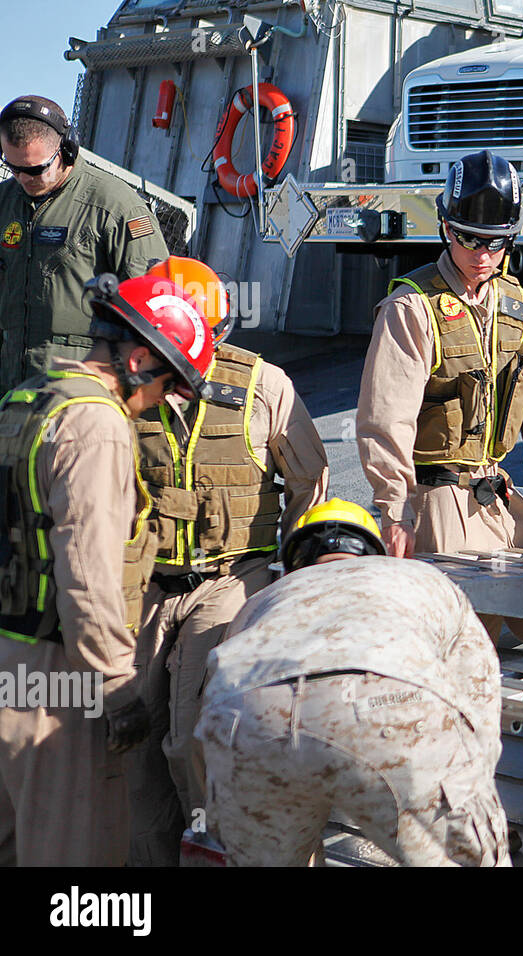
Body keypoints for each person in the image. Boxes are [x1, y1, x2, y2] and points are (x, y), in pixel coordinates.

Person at [357, 149, 523, 787]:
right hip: (436, 499)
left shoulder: (518, 308)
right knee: (456, 648)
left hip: (498, 496)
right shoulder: (412, 307)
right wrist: (394, 512)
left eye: (496, 241)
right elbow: (384, 418)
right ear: (446, 230)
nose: (482, 254)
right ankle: (433, 788)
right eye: (468, 238)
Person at [0, 272, 214, 865]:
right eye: (169, 384)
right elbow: (87, 580)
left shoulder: (28, 397)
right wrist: (119, 690)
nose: (164, 402)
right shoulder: (96, 424)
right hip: (55, 687)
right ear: (140, 359)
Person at [126, 255, 330, 865]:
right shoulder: (125, 388)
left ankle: (224, 847)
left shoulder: (264, 386)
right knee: (125, 733)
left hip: (229, 577)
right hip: (142, 583)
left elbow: (310, 482)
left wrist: (288, 578)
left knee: (194, 728)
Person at [194, 499, 510, 866]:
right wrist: (471, 797)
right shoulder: (422, 579)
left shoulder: (262, 600)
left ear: (295, 562)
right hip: (386, 703)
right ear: (376, 553)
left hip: (246, 718)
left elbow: (215, 695)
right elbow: (479, 694)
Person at [0, 95, 169, 390]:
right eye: (13, 168)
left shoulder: (115, 206)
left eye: (35, 169)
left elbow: (156, 305)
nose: (23, 179)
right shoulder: (4, 201)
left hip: (79, 389)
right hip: (8, 389)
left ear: (66, 150)